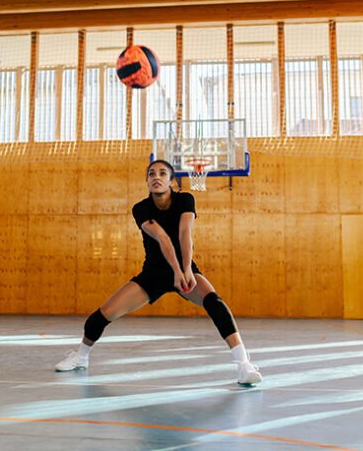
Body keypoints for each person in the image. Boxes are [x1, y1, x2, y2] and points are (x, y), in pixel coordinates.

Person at [55, 159, 262, 386]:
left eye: (163, 173)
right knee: (102, 315)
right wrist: (175, 271)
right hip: (153, 274)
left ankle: (244, 365)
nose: (156, 177)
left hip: (185, 269)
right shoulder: (141, 208)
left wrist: (185, 270)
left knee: (215, 302)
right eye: (152, 173)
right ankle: (81, 357)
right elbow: (162, 238)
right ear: (147, 181)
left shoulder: (185, 200)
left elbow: (185, 234)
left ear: (171, 181)